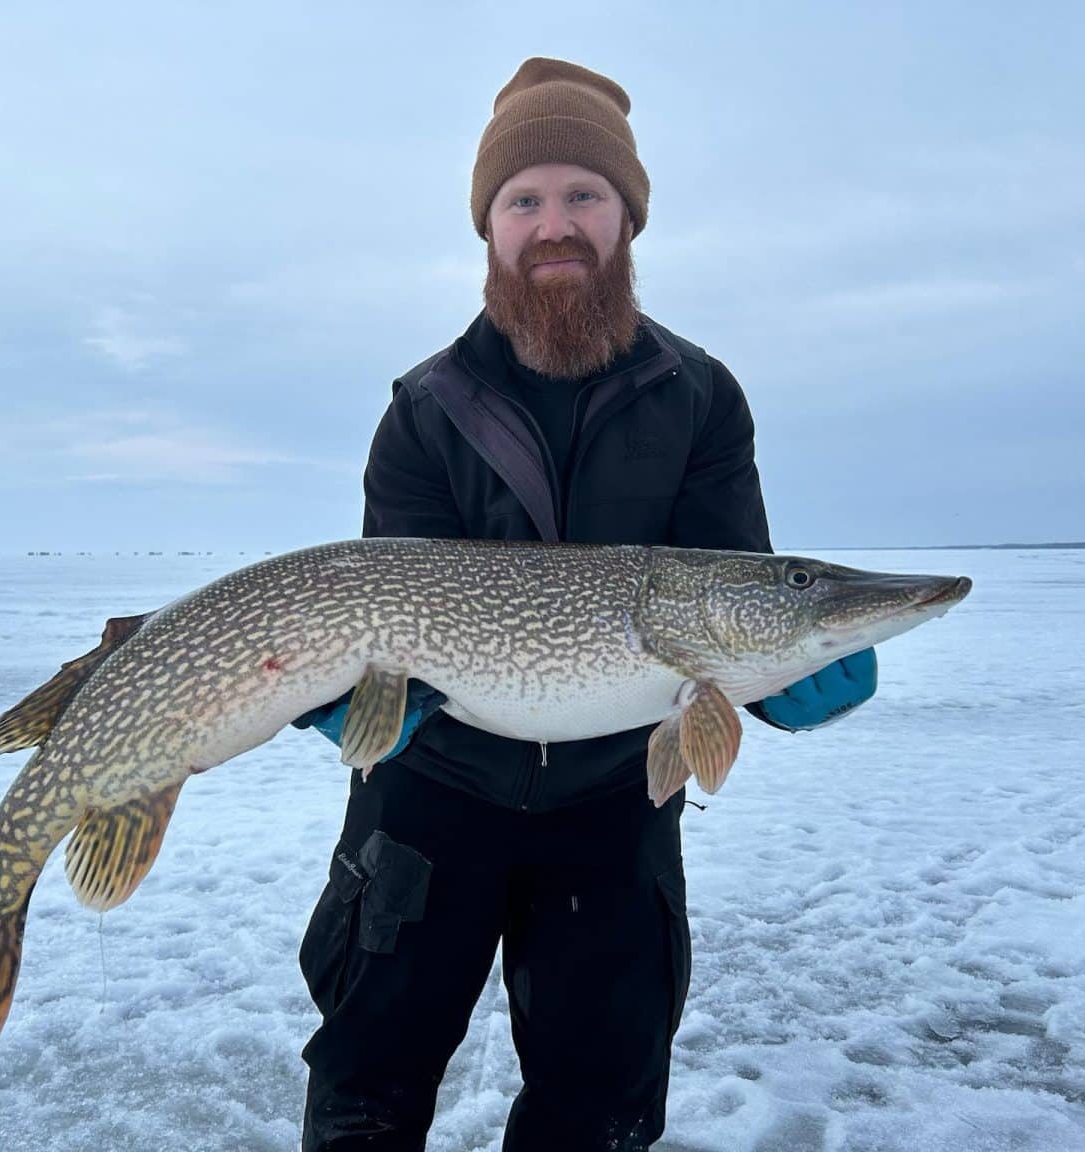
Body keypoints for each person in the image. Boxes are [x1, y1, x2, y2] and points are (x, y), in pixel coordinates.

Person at [292, 57, 877, 1152]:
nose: (553, 224)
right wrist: (374, 702)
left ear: (626, 219)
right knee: (366, 1090)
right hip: (430, 797)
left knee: (599, 1107)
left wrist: (792, 661)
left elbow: (733, 587)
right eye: (524, 201)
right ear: (490, 229)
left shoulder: (699, 396)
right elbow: (386, 600)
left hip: (616, 803)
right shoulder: (424, 410)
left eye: (582, 196)